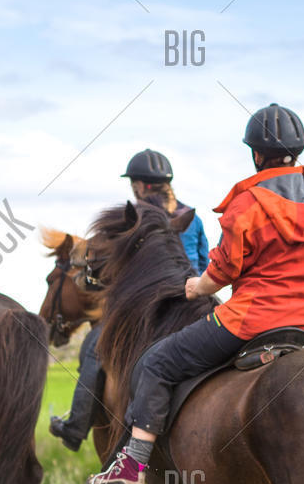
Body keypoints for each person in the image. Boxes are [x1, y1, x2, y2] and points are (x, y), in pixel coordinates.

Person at [90, 104, 304, 484]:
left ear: (256, 154)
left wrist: (196, 288)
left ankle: (131, 470)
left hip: (251, 320)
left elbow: (224, 268)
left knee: (156, 362)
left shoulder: (249, 202)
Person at [50, 148, 209, 452]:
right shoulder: (192, 218)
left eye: (133, 185)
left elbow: (118, 268)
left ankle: (75, 427)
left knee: (95, 348)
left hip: (147, 310)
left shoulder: (133, 219)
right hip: (193, 305)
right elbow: (202, 263)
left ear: (138, 185)